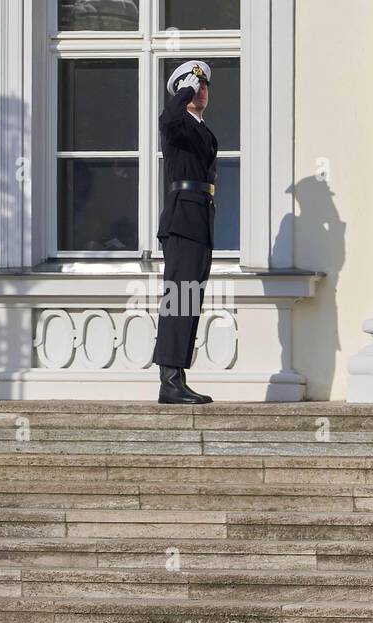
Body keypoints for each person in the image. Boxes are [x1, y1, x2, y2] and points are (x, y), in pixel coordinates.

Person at [155, 60, 218, 405]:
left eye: (204, 86)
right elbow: (167, 119)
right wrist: (184, 92)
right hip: (182, 220)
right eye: (195, 87)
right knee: (178, 299)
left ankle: (177, 376)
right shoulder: (176, 124)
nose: (201, 91)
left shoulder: (202, 130)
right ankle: (169, 381)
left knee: (189, 300)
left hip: (200, 220)